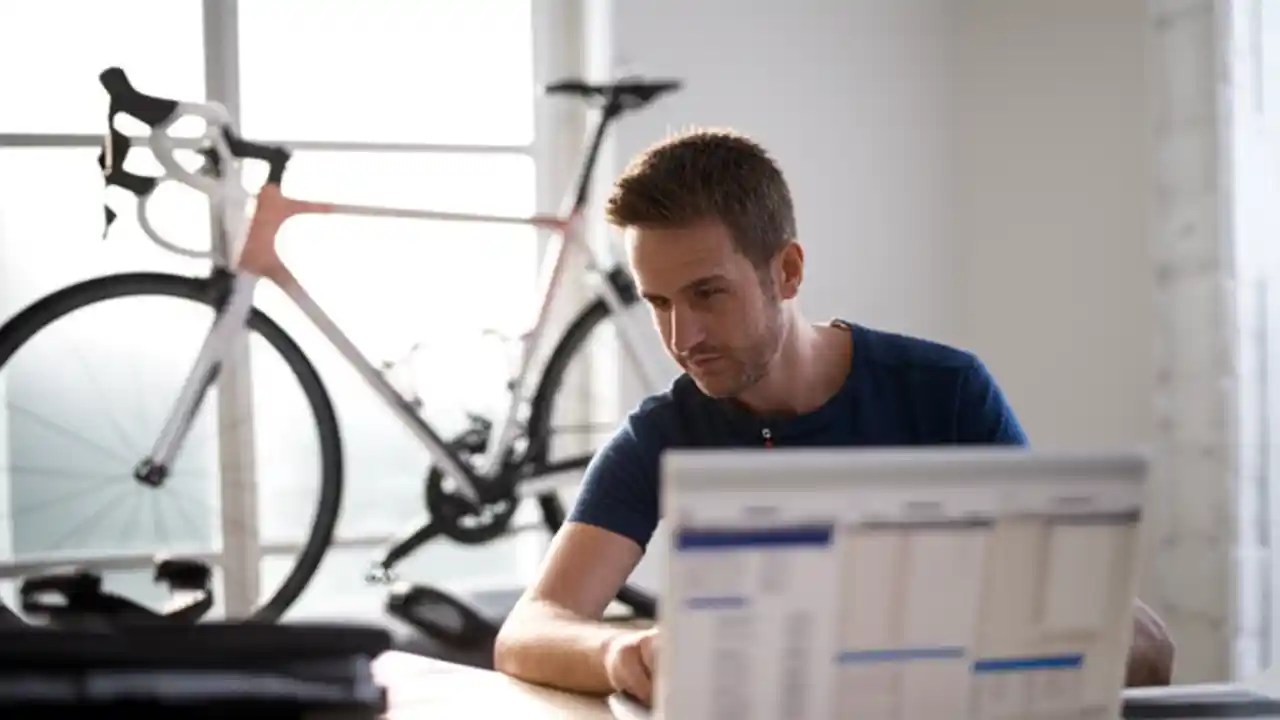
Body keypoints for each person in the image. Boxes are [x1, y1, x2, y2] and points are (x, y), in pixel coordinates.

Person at [493, 128, 1173, 703]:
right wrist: (625, 656)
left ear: (786, 272)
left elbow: (1141, 650)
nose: (682, 337)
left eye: (707, 294)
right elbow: (530, 629)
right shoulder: (664, 432)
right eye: (659, 303)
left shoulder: (945, 393)